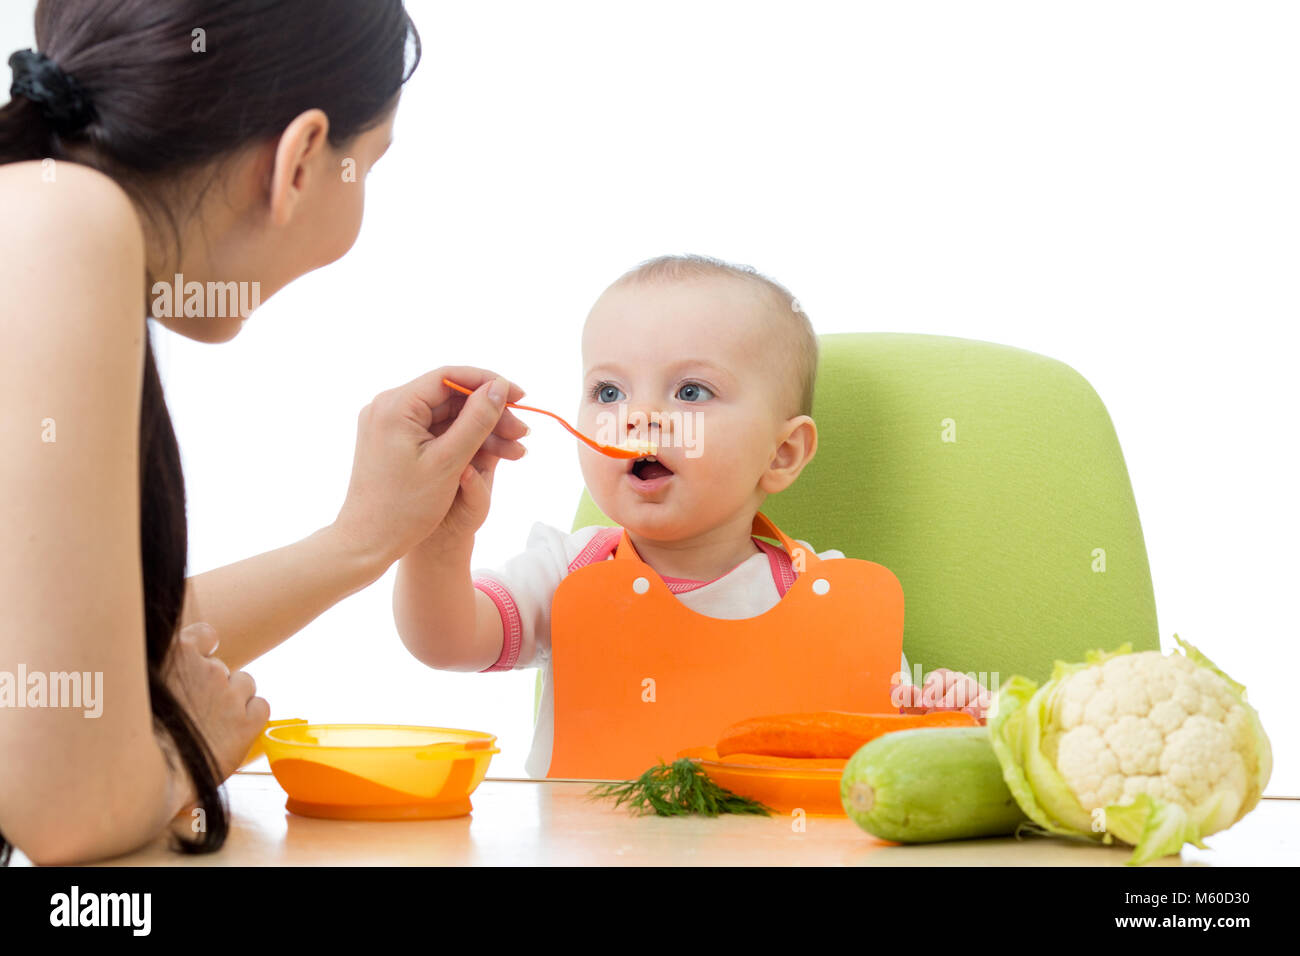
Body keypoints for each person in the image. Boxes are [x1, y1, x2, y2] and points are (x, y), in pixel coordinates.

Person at [0, 0, 525, 865]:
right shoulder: (66, 228)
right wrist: (186, 747)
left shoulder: (45, 214)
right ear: (302, 158)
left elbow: (67, 653)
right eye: (372, 164)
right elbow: (72, 813)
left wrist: (364, 539)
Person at [393, 254, 990, 778]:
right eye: (608, 392)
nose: (641, 416)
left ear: (780, 454)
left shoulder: (828, 596)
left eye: (690, 393)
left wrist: (941, 709)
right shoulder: (566, 571)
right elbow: (444, 641)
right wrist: (439, 536)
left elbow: (882, 741)